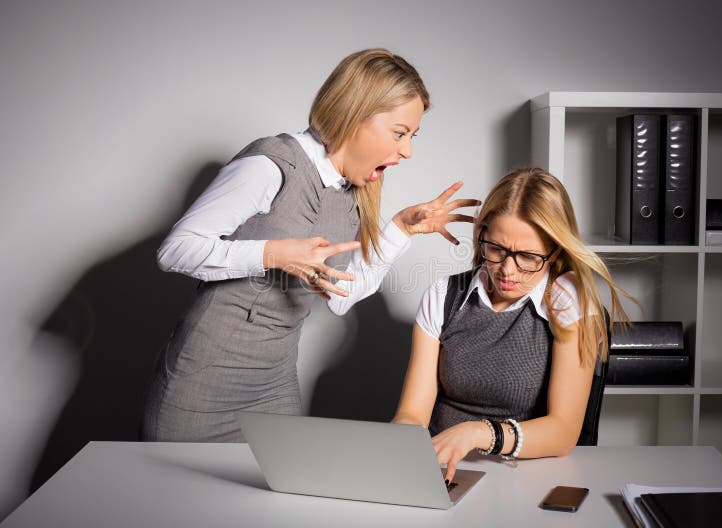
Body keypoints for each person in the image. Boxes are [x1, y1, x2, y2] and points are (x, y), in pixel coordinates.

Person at [141, 48, 479, 442]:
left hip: (273, 384)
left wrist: (400, 230)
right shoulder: (272, 164)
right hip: (202, 381)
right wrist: (272, 254)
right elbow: (175, 250)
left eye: (411, 136)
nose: (407, 151)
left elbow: (339, 298)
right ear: (356, 114)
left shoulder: (351, 192)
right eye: (400, 133)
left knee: (279, 482)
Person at [392, 167, 631, 482]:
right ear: (482, 236)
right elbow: (412, 413)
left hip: (523, 475)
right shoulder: (443, 296)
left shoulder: (567, 300)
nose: (507, 270)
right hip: (441, 471)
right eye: (496, 249)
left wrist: (478, 433)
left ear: (555, 250)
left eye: (528, 257)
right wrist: (402, 447)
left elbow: (563, 432)